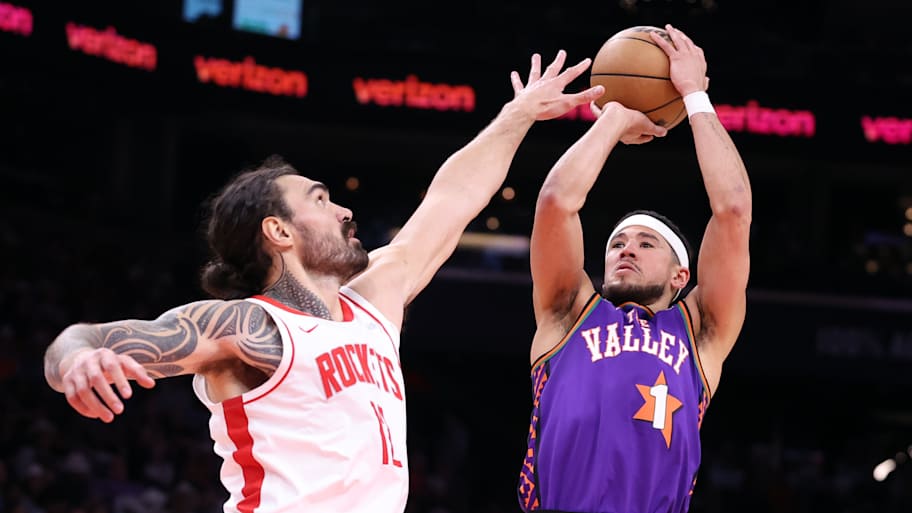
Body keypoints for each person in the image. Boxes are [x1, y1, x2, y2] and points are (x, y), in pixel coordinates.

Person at [43, 50, 613, 513]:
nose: (344, 211)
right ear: (279, 231)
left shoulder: (374, 301)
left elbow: (453, 199)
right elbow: (84, 338)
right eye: (321, 199)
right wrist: (76, 359)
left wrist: (518, 116)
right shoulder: (247, 324)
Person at [516, 24, 752, 513]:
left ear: (679, 277)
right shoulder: (567, 313)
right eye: (618, 242)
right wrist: (613, 121)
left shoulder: (701, 333)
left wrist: (695, 97)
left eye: (646, 243)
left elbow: (732, 212)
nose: (626, 249)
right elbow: (557, 203)